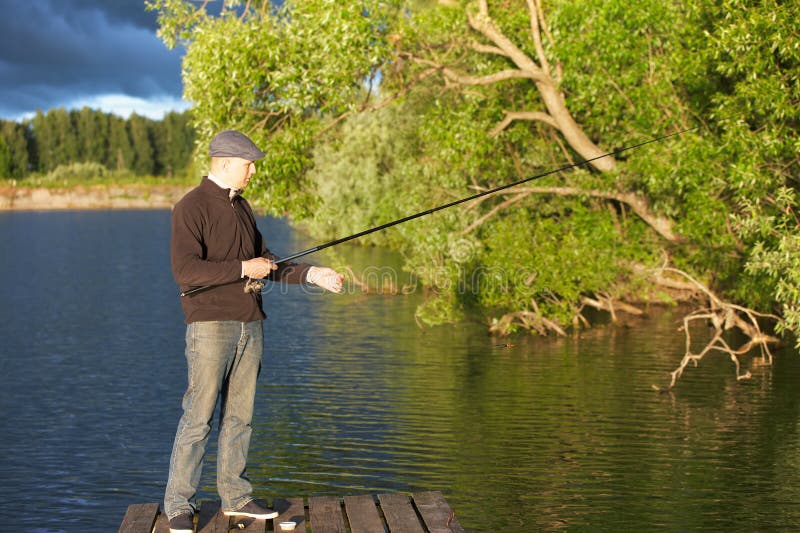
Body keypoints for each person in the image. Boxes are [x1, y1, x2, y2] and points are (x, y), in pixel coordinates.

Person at [164, 130, 344, 533]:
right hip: (209, 325)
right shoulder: (189, 208)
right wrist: (243, 268)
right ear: (225, 162)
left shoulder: (242, 208)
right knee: (198, 418)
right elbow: (186, 272)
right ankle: (178, 504)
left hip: (251, 323)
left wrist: (313, 274)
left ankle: (236, 497)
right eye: (249, 165)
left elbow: (268, 261)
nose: (253, 171)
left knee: (241, 418)